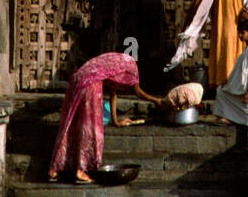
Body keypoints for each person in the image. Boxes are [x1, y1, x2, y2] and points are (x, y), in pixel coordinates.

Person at [48, 52, 167, 184]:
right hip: (91, 83)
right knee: (91, 127)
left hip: (78, 79)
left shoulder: (116, 62)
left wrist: (116, 121)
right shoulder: (132, 67)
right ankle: (81, 170)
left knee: (71, 124)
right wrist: (156, 100)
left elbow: (113, 94)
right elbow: (138, 91)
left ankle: (55, 169)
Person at [211, 17, 248, 146]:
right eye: (239, 32)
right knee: (221, 92)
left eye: (243, 33)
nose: (240, 35)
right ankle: (229, 118)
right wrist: (227, 82)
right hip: (242, 88)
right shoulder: (247, 48)